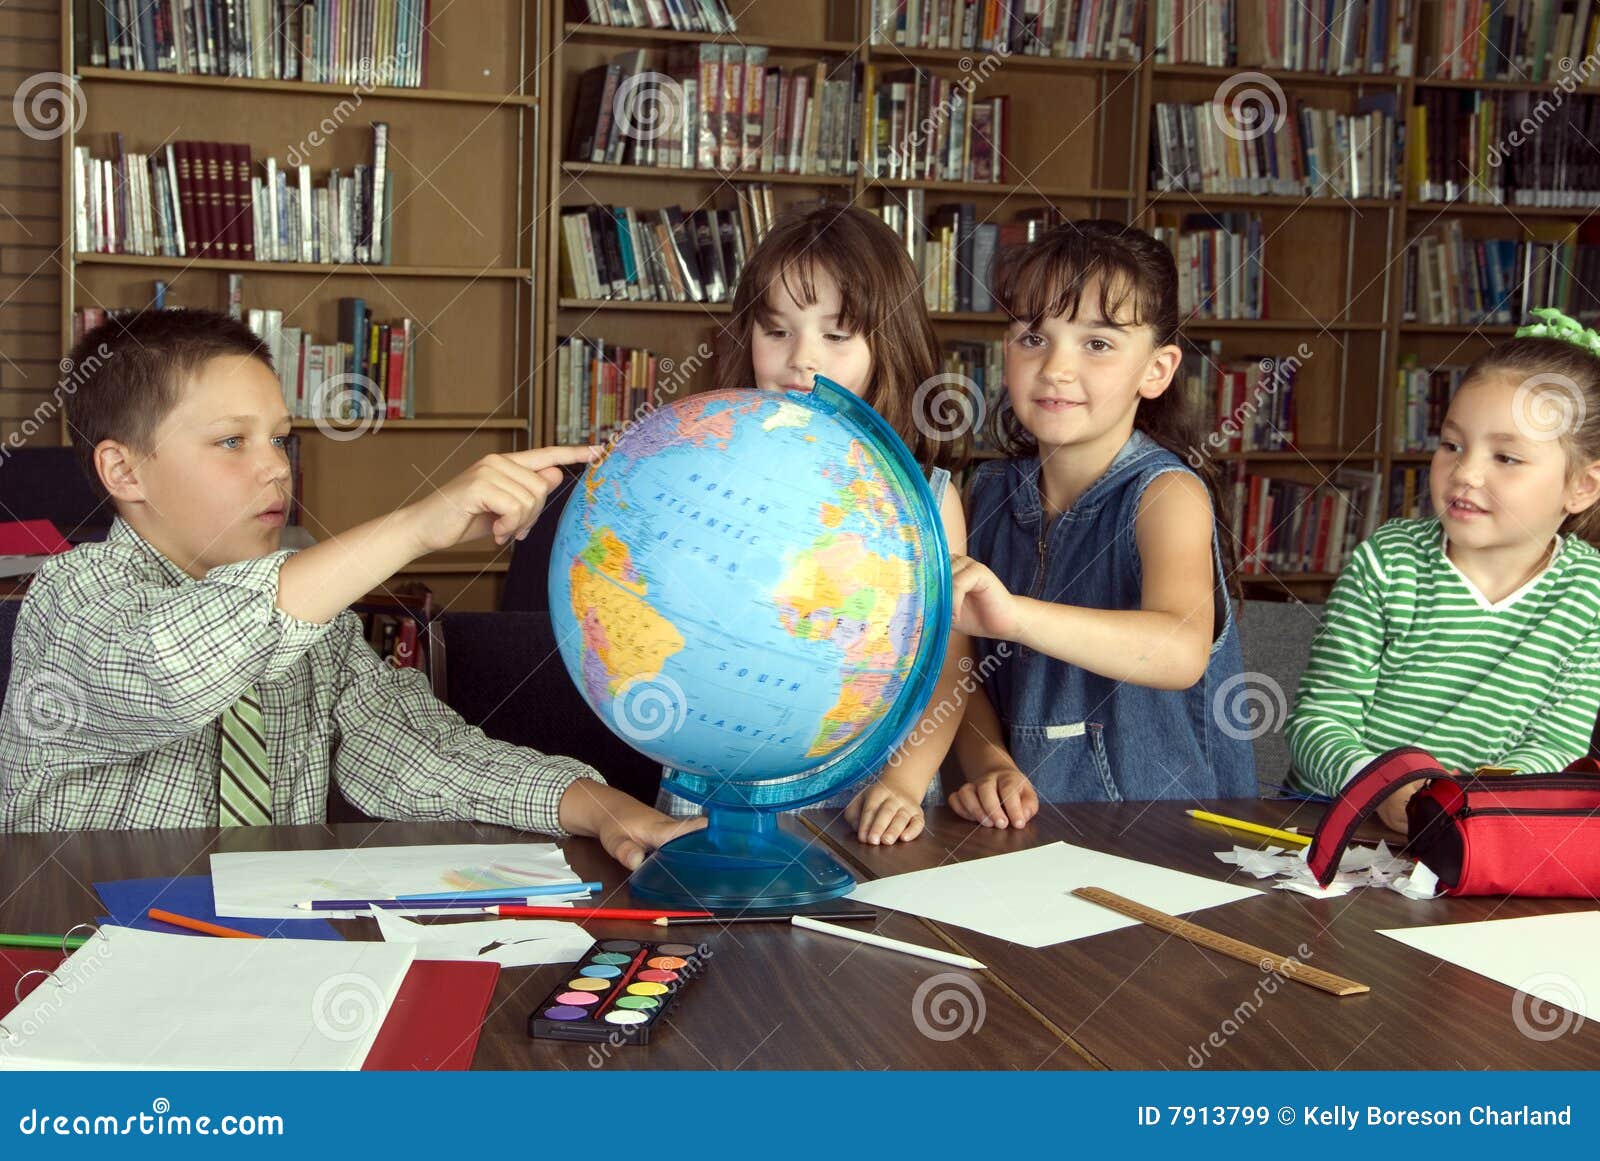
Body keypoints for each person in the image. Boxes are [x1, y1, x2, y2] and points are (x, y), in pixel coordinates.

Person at [0, 308, 702, 868]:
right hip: (85, 957)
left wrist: (603, 807)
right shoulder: (72, 600)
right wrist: (416, 525)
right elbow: (170, 670)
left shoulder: (318, 624)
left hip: (262, 957)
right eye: (231, 442)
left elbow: (417, 754)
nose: (277, 469)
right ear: (124, 472)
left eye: (281, 439)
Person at [657, 203, 974, 845]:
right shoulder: (701, 470)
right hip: (717, 783)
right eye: (776, 331)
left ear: (889, 344)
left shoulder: (930, 501)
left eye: (836, 336)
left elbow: (948, 664)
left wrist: (905, 784)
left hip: (874, 802)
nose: (802, 361)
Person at [949, 219, 1256, 826]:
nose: (1056, 368)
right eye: (1034, 337)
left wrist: (1014, 614)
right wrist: (988, 764)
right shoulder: (985, 494)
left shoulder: (1167, 493)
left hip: (1170, 837)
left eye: (1098, 343)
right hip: (1018, 835)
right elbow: (960, 669)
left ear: (1157, 369)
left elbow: (1179, 650)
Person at [1286, 308, 1600, 832]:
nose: (1465, 473)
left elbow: (1555, 744)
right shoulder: (1388, 564)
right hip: (1339, 823)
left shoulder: (1589, 592)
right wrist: (1386, 788)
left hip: (1478, 831)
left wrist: (1468, 804)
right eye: (1452, 445)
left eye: (1506, 458)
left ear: (1582, 488)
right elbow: (1319, 724)